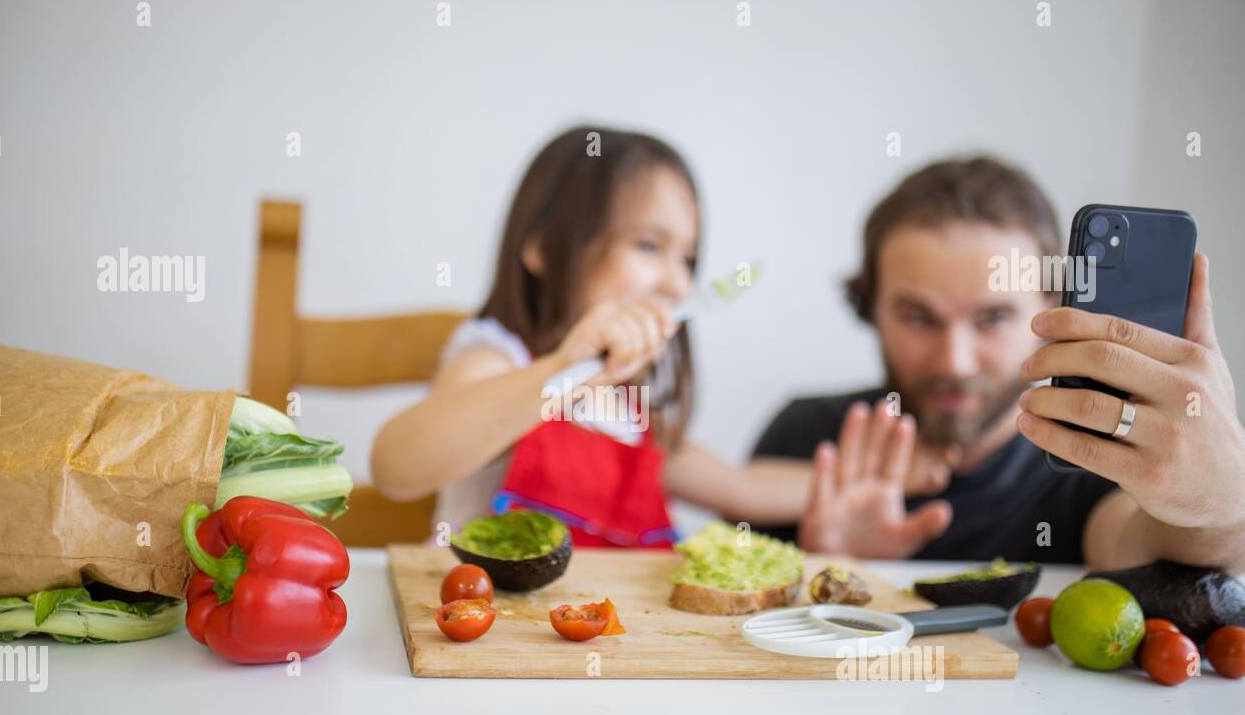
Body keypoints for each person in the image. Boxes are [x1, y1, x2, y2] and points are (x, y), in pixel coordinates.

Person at [750, 156, 1245, 569]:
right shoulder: (805, 435)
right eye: (919, 317)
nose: (956, 362)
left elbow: (1148, 550)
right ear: (870, 305)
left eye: (992, 318)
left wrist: (1222, 510)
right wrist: (824, 575)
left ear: (1053, 308)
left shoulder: (1096, 460)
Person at [370, 126, 809, 547]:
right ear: (542, 247)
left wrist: (866, 482)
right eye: (649, 246)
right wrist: (562, 369)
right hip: (490, 619)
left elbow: (741, 487)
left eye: (689, 259)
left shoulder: (631, 414)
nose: (679, 285)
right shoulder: (497, 363)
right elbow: (396, 466)